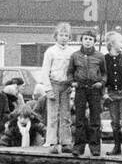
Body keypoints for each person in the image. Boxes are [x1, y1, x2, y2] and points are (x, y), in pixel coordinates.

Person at [68, 28, 107, 157]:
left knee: (95, 119)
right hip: (80, 88)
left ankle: (95, 147)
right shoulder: (75, 56)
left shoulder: (100, 56)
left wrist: (101, 83)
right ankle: (78, 147)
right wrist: (72, 82)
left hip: (94, 89)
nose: (88, 41)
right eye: (85, 39)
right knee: (79, 118)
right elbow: (70, 72)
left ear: (94, 41)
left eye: (90, 39)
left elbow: (104, 73)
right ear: (81, 40)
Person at [40, 25, 74, 153]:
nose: (64, 38)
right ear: (56, 36)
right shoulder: (50, 51)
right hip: (54, 84)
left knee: (66, 115)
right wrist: (48, 89)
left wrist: (71, 85)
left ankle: (66, 142)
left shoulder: (72, 52)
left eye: (66, 36)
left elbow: (72, 71)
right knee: (53, 115)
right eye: (61, 35)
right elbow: (44, 71)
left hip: (66, 86)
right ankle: (52, 142)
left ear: (69, 37)